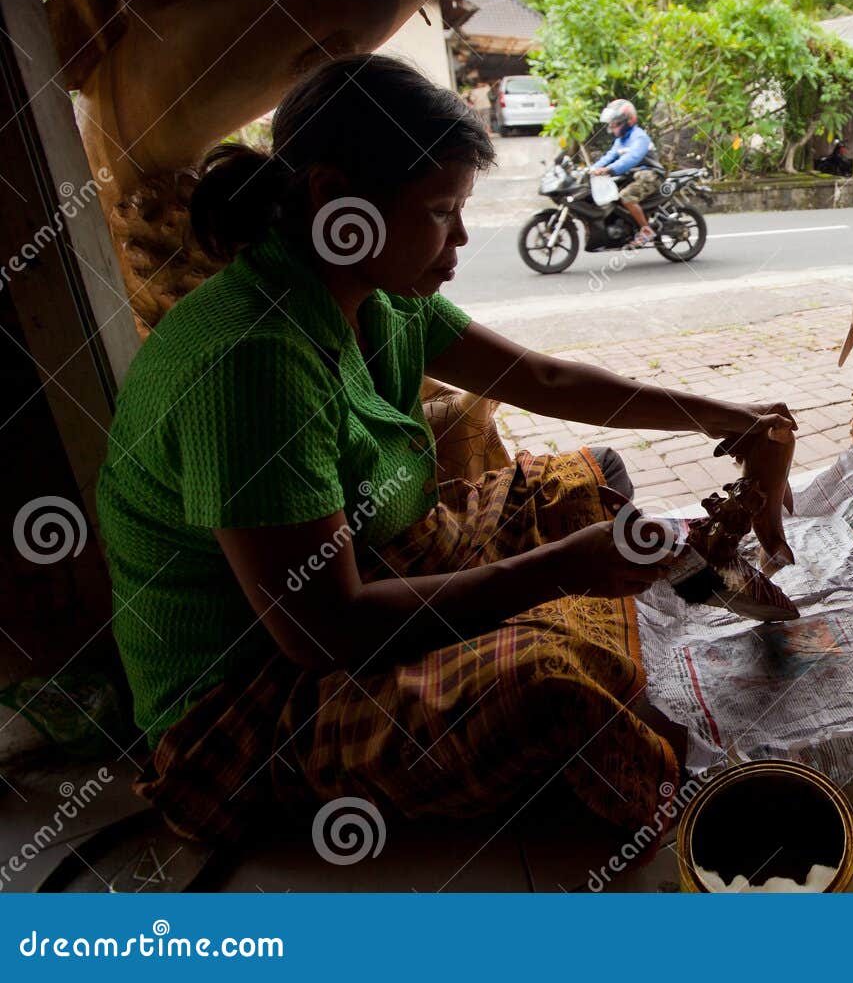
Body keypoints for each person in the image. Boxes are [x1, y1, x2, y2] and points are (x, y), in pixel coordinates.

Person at [95, 55, 794, 843]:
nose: (461, 236)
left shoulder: (379, 295)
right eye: (439, 210)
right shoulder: (253, 364)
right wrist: (562, 568)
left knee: (590, 482)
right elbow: (325, 629)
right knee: (551, 691)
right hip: (253, 696)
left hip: (378, 562)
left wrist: (741, 418)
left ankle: (576, 644)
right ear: (333, 200)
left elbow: (546, 379)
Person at [590, 98, 663, 248]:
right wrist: (591, 169)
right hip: (633, 176)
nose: (612, 126)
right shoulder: (621, 139)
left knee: (626, 197)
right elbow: (610, 156)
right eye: (611, 123)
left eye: (615, 123)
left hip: (650, 174)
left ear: (627, 121)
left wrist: (609, 170)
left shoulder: (639, 136)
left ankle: (646, 230)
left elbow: (632, 158)